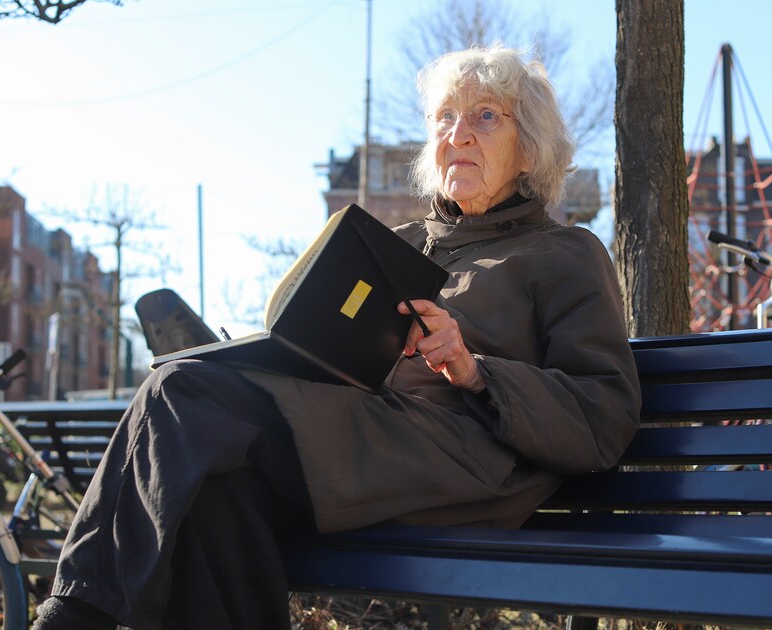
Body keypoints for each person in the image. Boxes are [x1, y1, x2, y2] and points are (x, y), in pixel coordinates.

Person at [33, 43, 640, 630]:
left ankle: (69, 618)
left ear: (529, 147)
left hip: (464, 462)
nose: (457, 134)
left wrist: (475, 369)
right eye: (445, 118)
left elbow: (604, 413)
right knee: (217, 493)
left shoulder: (565, 253)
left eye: (485, 116)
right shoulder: (398, 243)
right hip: (356, 438)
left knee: (179, 388)